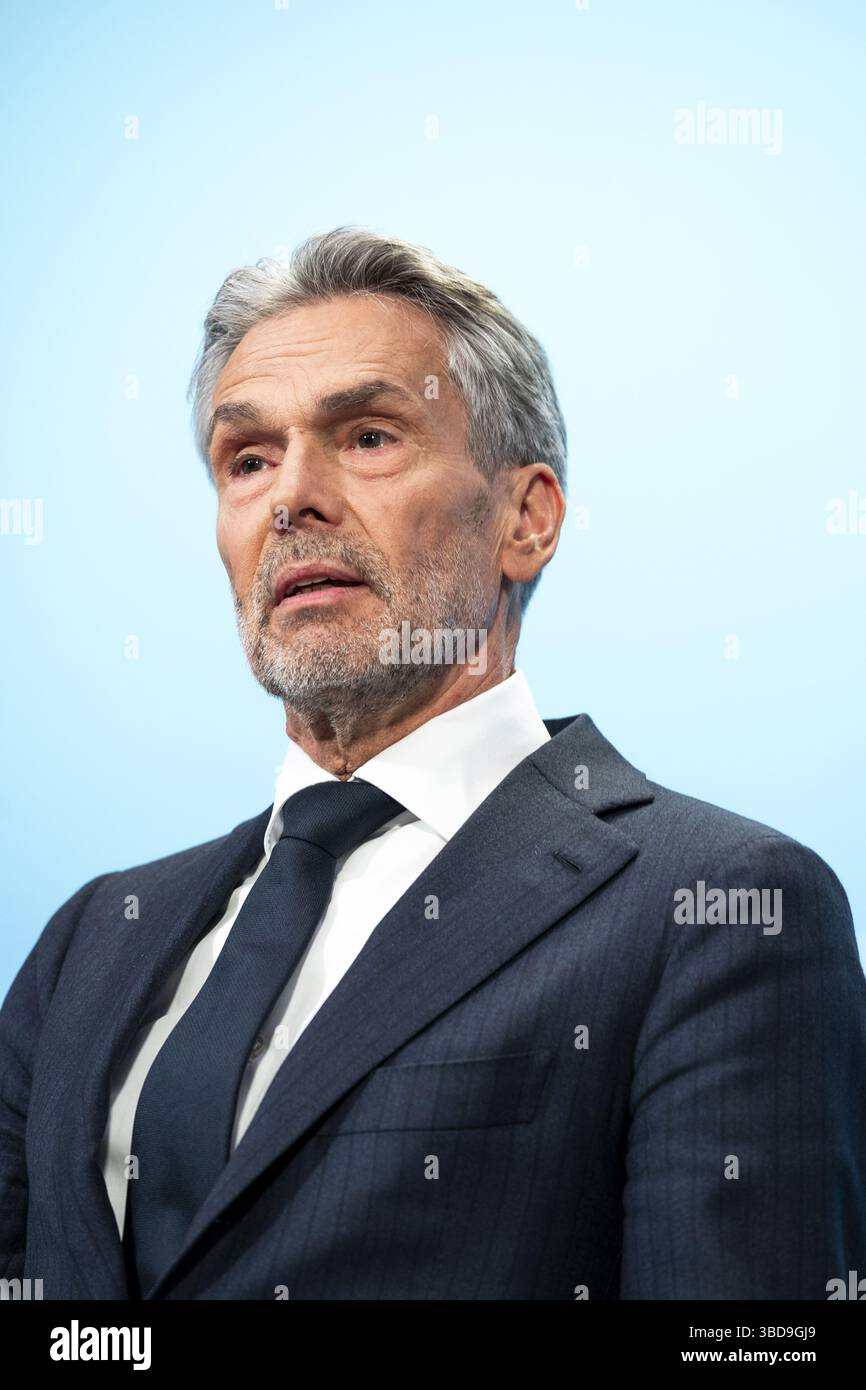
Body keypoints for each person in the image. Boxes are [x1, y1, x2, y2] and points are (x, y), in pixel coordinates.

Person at [2, 227, 864, 1301]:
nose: (290, 500)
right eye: (249, 458)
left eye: (366, 436)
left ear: (525, 518)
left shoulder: (717, 905)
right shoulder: (89, 942)